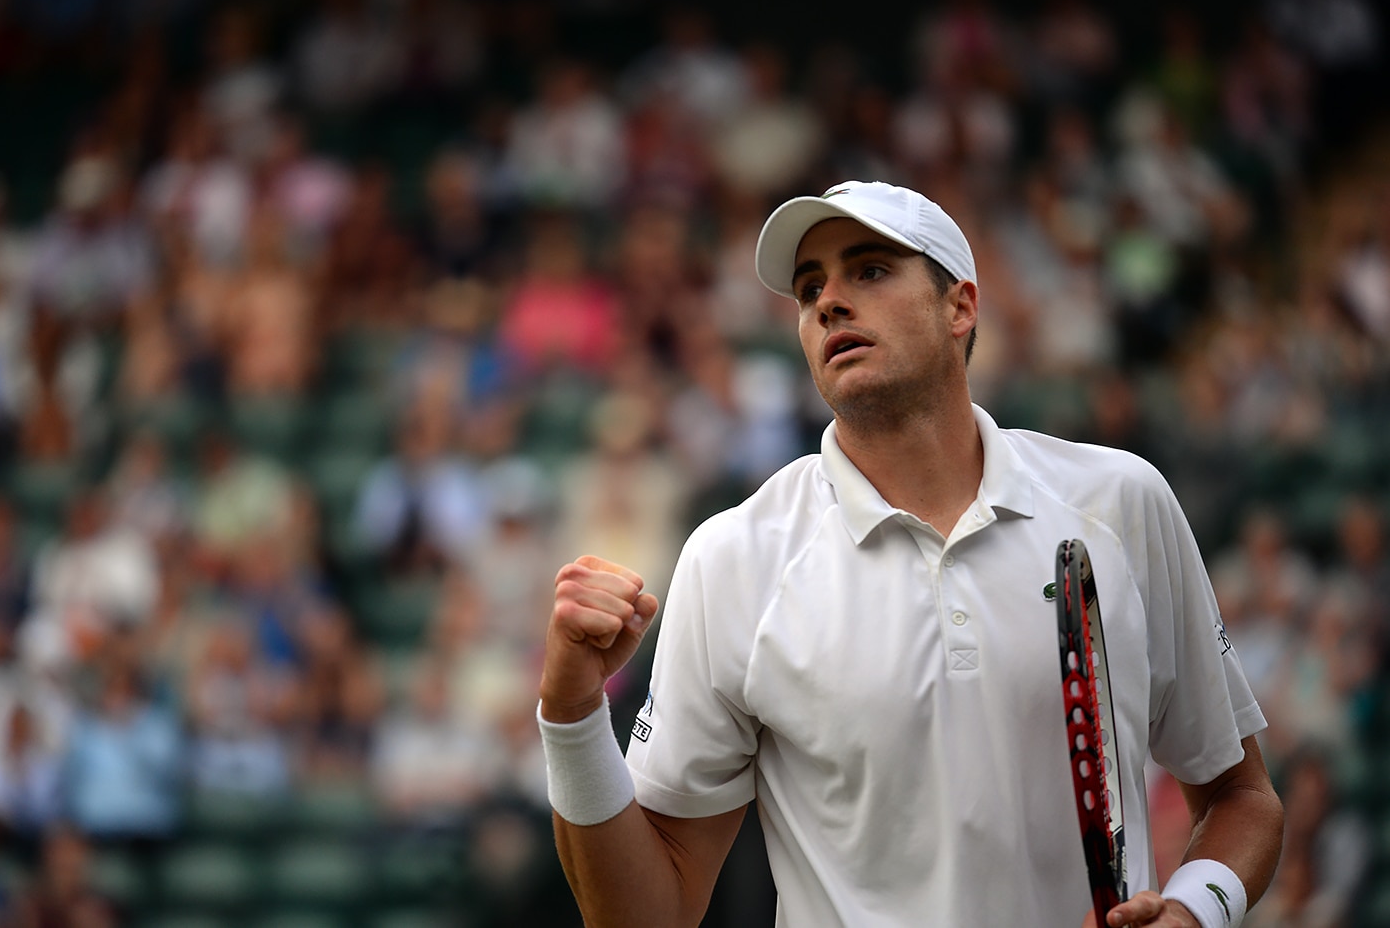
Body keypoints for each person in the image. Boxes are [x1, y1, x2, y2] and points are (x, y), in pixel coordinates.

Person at [536, 180, 1284, 927]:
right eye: (808, 288)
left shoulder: (1123, 500)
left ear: (959, 306)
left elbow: (1241, 799)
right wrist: (571, 715)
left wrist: (1193, 912)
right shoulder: (730, 556)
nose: (828, 300)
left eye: (868, 270)